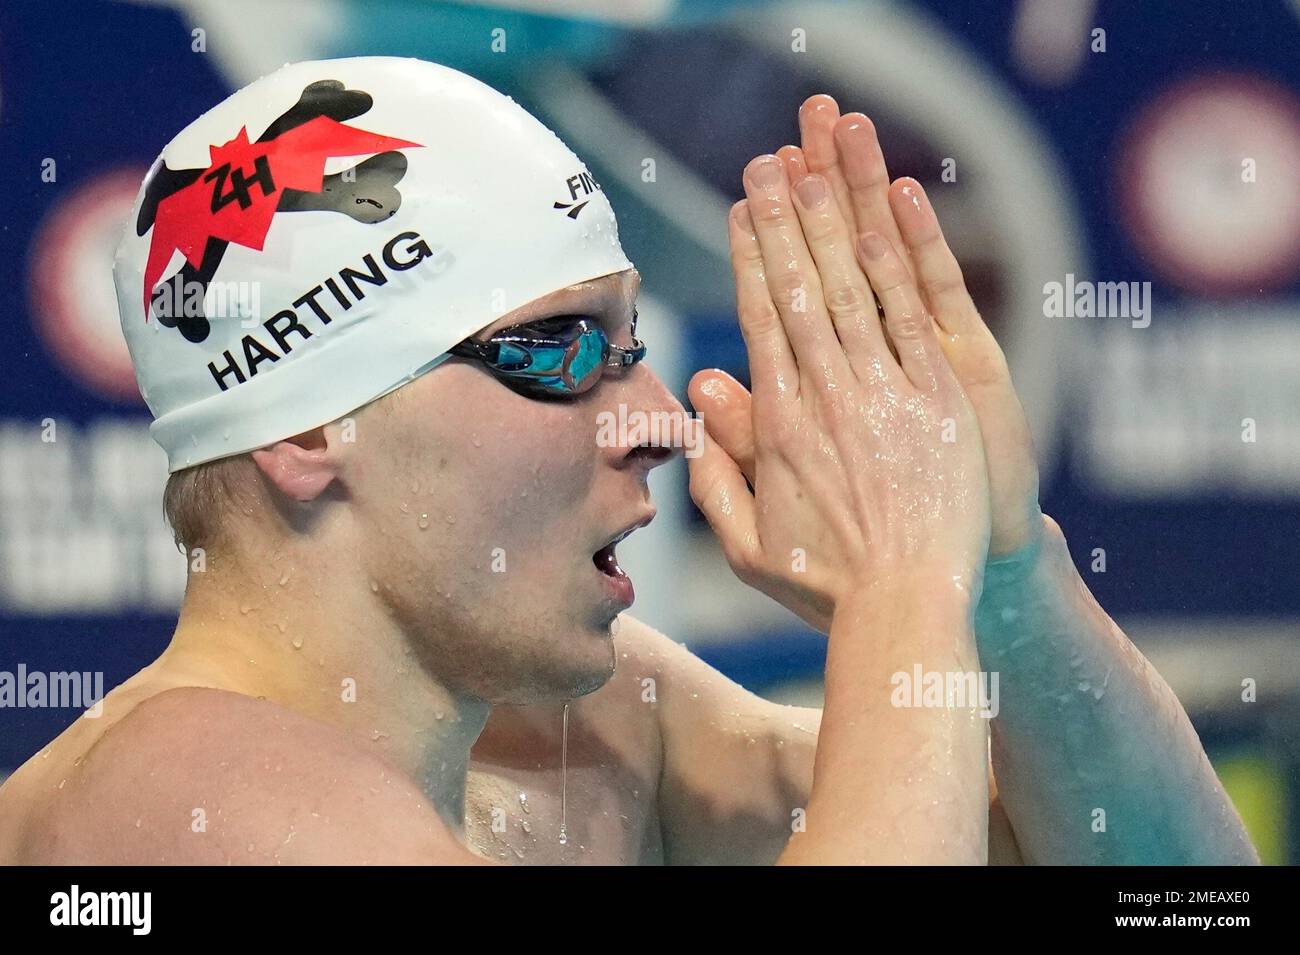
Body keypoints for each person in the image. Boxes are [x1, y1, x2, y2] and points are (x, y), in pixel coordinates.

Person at [0, 59, 1256, 865]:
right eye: (560, 351)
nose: (659, 416)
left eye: (633, 345)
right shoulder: (181, 800)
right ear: (311, 429)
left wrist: (1001, 569)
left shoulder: (588, 736)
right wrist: (902, 594)